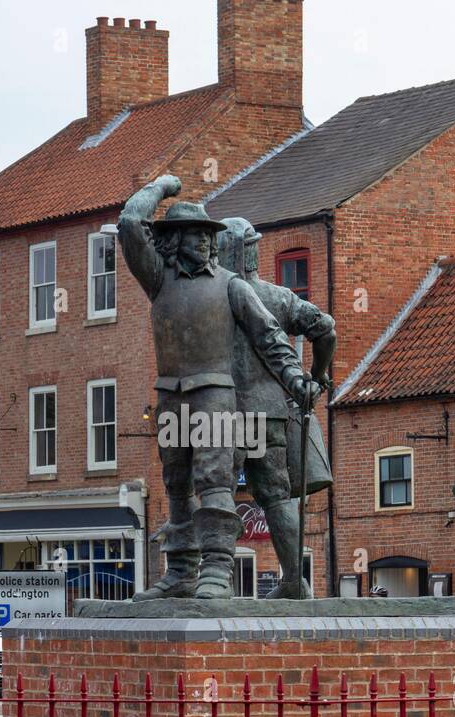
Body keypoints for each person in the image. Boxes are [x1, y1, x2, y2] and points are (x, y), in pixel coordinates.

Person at [118, 176, 319, 599]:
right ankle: (181, 571)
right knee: (175, 484)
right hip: (170, 396)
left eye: (210, 236)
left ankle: (216, 569)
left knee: (215, 481)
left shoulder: (232, 284)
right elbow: (131, 223)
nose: (207, 243)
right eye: (197, 235)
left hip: (216, 397)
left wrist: (296, 378)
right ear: (173, 240)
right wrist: (161, 186)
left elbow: (270, 338)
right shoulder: (159, 281)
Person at [219, 218, 337, 598]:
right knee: (276, 497)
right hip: (270, 414)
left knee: (213, 492)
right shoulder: (276, 297)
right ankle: (292, 579)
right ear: (253, 252)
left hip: (220, 414)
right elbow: (326, 328)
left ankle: (212, 581)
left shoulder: (211, 300)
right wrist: (316, 378)